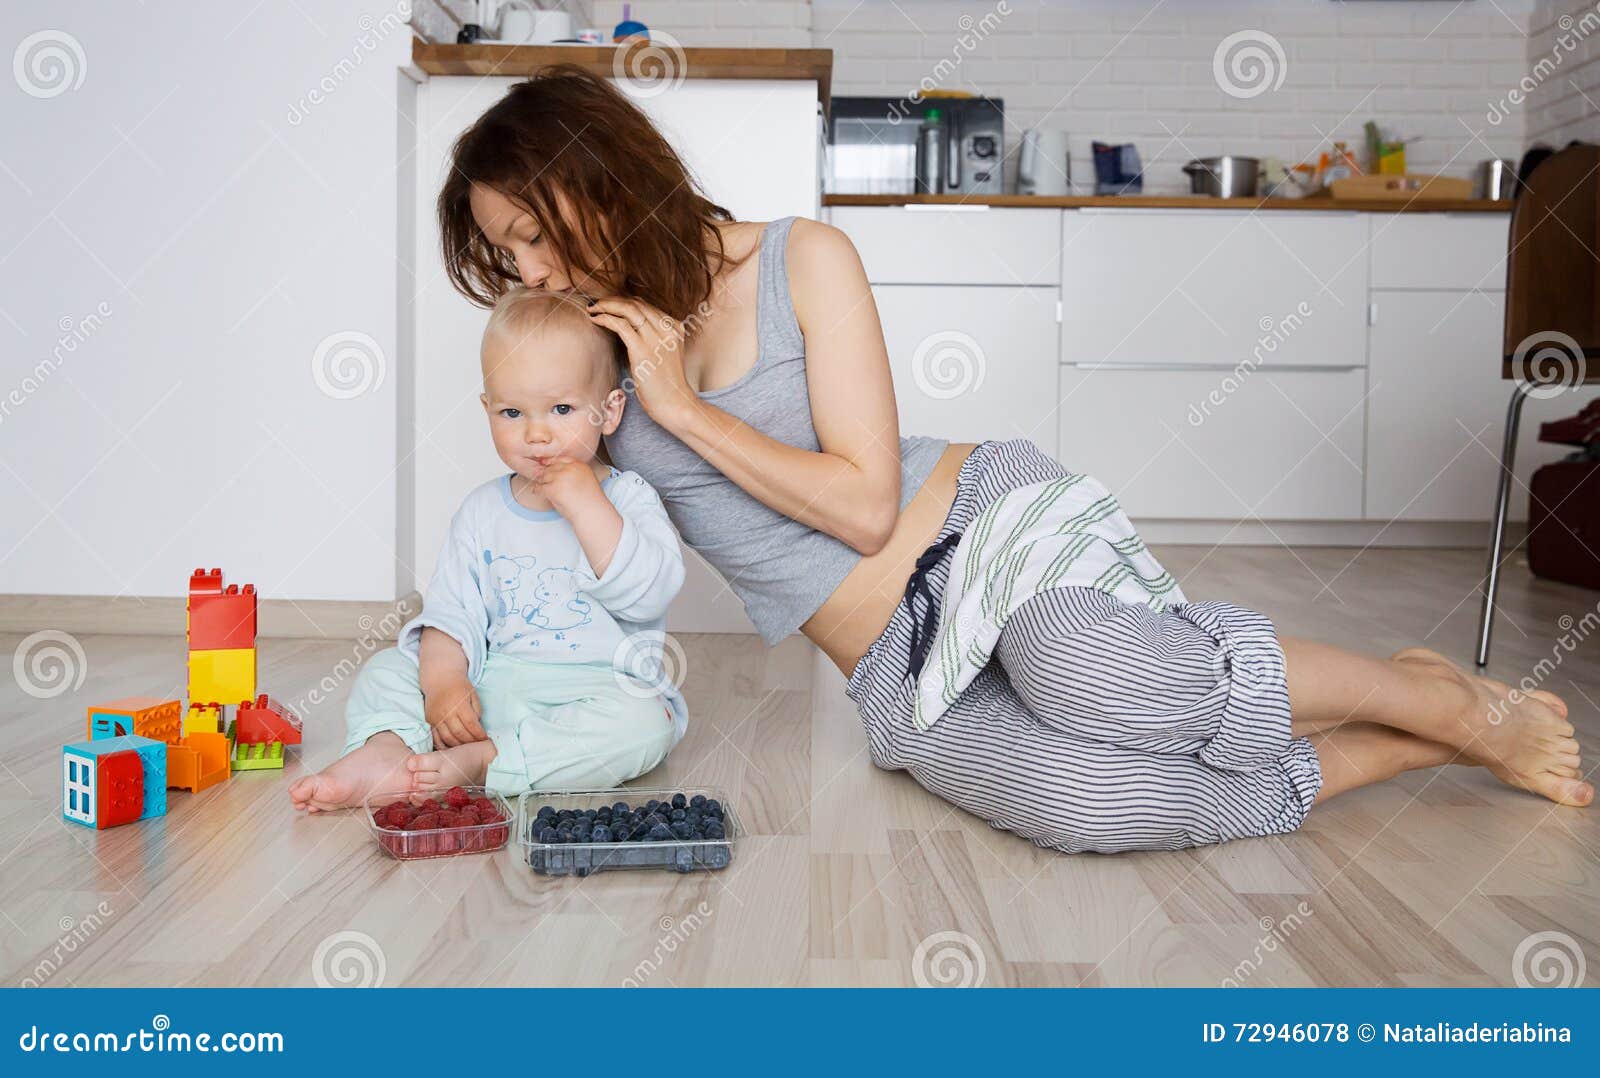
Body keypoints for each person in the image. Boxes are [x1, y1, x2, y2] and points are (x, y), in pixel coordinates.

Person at [425, 65, 1590, 852]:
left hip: (986, 531)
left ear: (601, 174)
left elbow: (870, 508)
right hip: (890, 666)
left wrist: (683, 411)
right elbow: (534, 522)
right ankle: (1403, 734)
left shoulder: (799, 260)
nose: (525, 270)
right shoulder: (595, 363)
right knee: (1084, 800)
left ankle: (1464, 710)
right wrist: (446, 669)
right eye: (501, 251)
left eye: (529, 232)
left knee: (1091, 674)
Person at [289, 287, 685, 812]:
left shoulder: (628, 499)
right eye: (512, 412)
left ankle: (489, 763)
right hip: (491, 690)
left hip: (594, 692)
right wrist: (445, 684)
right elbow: (450, 614)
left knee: (644, 725)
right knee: (387, 671)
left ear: (609, 411)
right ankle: (385, 752)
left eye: (562, 409)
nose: (537, 433)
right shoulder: (482, 512)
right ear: (487, 409)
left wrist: (588, 505)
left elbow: (649, 595)